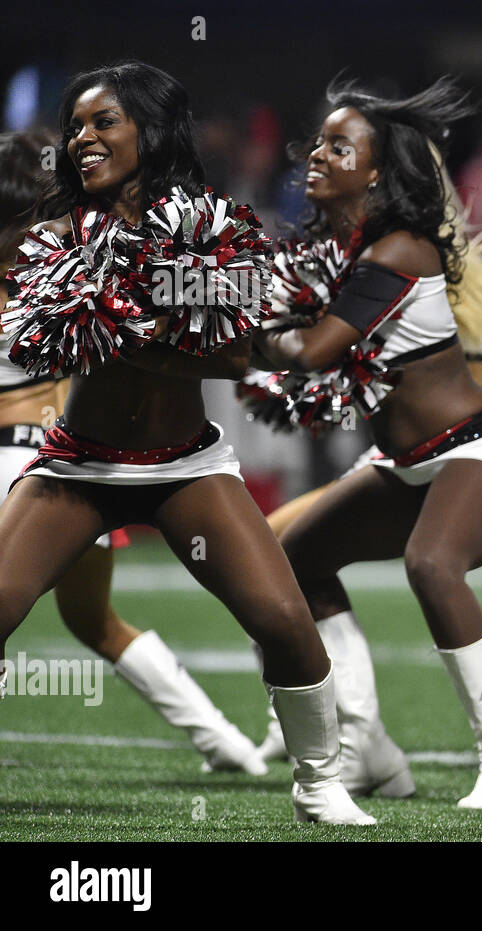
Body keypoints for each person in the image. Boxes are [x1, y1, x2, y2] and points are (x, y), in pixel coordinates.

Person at [0, 62, 372, 824]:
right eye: (75, 125)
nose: (82, 138)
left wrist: (126, 327)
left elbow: (234, 357)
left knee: (284, 619)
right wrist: (148, 325)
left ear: (151, 128)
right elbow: (52, 345)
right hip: (80, 463)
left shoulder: (209, 226)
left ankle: (319, 784)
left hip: (185, 466)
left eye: (103, 122)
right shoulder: (58, 231)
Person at [255, 77, 482, 810]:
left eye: (339, 144)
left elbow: (317, 349)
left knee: (433, 562)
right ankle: (368, 745)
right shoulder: (336, 249)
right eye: (317, 141)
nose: (317, 153)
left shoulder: (400, 248)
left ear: (379, 172)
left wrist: (235, 336)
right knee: (292, 564)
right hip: (403, 463)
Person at [0, 131, 265, 777]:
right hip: (72, 465)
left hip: (24, 471)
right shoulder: (71, 260)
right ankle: (225, 740)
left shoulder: (42, 270)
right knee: (95, 619)